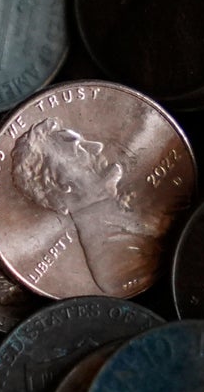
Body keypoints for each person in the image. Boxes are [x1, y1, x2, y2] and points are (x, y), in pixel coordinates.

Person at [11, 117, 170, 296]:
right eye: (78, 147)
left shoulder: (139, 217)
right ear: (62, 185)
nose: (97, 147)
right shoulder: (116, 267)